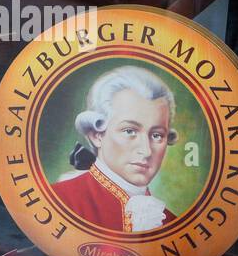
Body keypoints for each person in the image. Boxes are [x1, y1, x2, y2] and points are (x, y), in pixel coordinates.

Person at [50, 66, 179, 233]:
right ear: (97, 135)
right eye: (129, 131)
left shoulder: (172, 224)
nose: (146, 151)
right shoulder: (59, 202)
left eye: (156, 135)